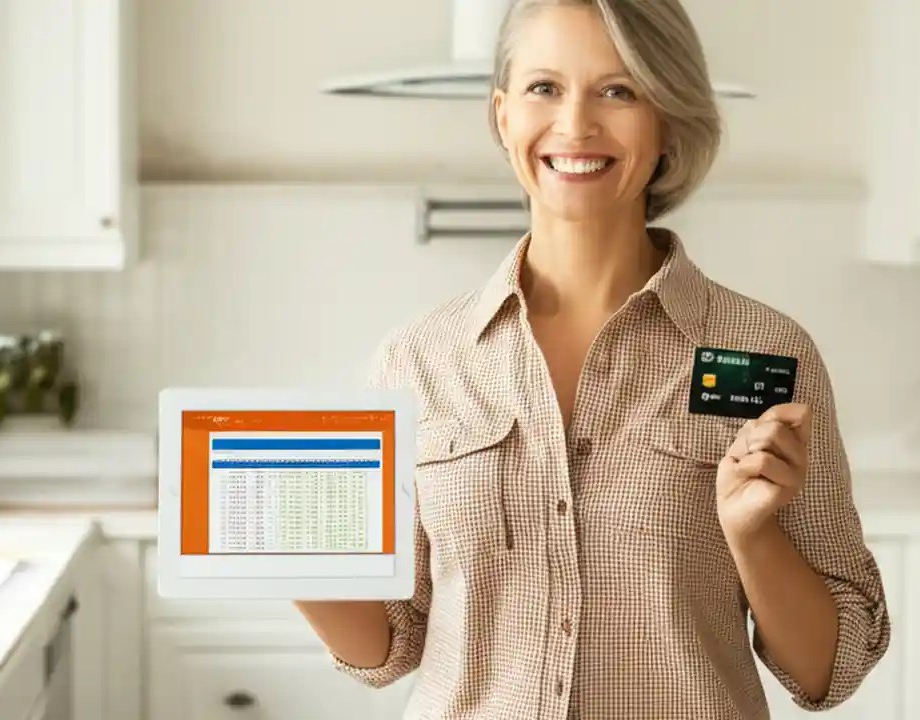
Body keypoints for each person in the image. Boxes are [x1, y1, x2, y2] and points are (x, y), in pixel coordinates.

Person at [295, 1, 890, 717]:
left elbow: (830, 669)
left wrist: (751, 532)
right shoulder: (418, 359)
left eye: (620, 90)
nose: (576, 125)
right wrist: (282, 553)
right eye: (544, 88)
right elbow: (390, 646)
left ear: (668, 117)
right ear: (502, 115)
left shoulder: (764, 351)